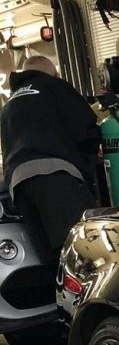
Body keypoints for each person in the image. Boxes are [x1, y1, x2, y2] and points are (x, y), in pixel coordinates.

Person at [0, 55, 100, 261]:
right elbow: (85, 128)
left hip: (20, 186)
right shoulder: (53, 86)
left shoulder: (10, 104)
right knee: (83, 250)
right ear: (53, 73)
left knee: (52, 261)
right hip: (55, 176)